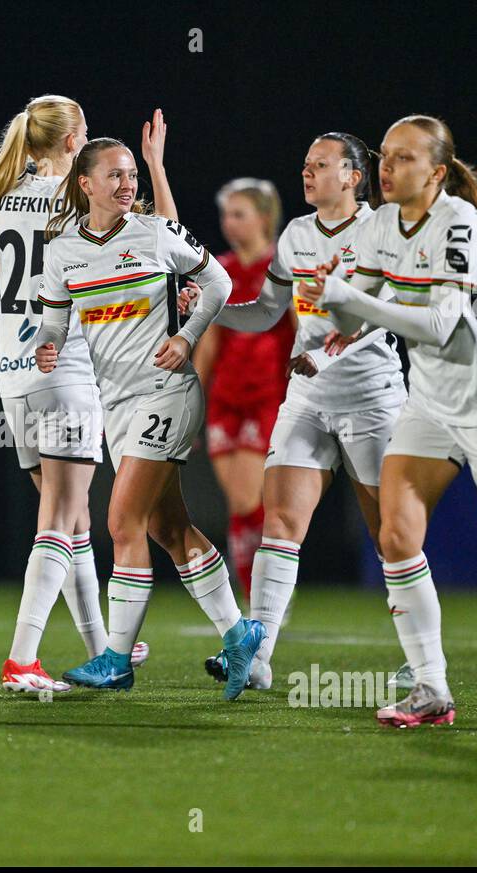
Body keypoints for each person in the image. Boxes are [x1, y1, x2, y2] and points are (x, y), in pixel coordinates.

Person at [298, 115, 477, 733]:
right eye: (386, 155)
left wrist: (353, 301)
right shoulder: (380, 223)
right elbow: (367, 307)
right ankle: (430, 688)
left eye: (405, 159)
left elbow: (437, 325)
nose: (388, 167)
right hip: (430, 405)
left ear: (436, 173)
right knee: (396, 538)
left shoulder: (461, 227)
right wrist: (327, 338)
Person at [0, 97, 178, 692]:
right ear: (74, 141)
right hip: (69, 367)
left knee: (75, 523)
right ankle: (21, 658)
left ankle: (104, 651)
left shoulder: (0, 200)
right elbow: (164, 239)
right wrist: (154, 166)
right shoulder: (78, 199)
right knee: (57, 520)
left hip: (14, 373)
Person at [34, 137, 263, 699]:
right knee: (168, 528)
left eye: (132, 173)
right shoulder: (63, 250)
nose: (126, 183)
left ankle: (116, 658)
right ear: (85, 185)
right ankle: (240, 633)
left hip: (166, 392)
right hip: (117, 404)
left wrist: (187, 337)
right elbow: (55, 320)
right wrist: (47, 342)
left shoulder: (156, 232)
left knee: (121, 523)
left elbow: (219, 282)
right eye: (114, 175)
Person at [188, 134, 406, 692]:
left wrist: (335, 346)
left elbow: (398, 310)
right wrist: (213, 307)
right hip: (307, 397)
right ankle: (258, 657)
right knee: (279, 525)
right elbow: (265, 312)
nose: (307, 173)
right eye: (305, 165)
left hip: (371, 396)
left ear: (354, 175)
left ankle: (424, 663)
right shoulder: (297, 234)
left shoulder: (385, 229)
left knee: (392, 536)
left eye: (321, 165)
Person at [192, 178, 294, 599]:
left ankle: (266, 597)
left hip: (268, 396)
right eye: (225, 215)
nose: (228, 223)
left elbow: (301, 331)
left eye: (239, 214)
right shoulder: (221, 269)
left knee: (253, 499)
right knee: (239, 504)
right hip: (225, 400)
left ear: (265, 218)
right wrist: (191, 403)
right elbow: (210, 344)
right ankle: (258, 596)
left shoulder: (284, 267)